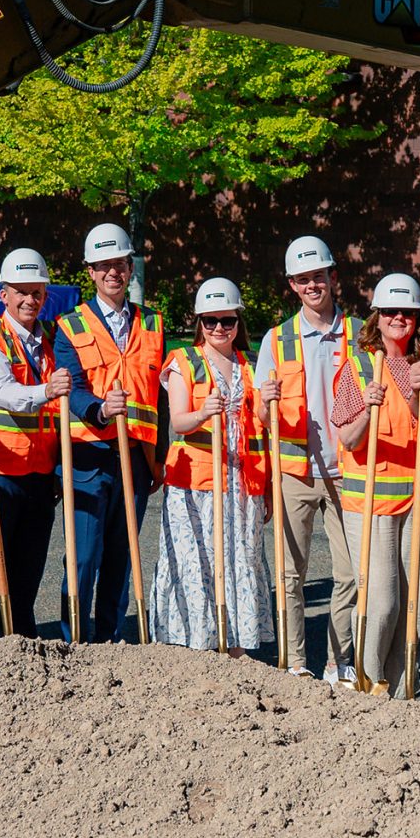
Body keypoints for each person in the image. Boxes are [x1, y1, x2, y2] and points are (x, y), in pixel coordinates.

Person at [331, 274, 420, 697]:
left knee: (415, 608)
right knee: (383, 602)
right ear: (376, 318)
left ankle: (402, 689)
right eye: (391, 312)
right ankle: (368, 680)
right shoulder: (359, 367)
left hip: (419, 502)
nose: (399, 319)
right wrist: (367, 410)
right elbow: (347, 438)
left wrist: (417, 390)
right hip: (371, 501)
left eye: (408, 313)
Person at [53, 222, 164, 642]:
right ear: (91, 271)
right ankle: (75, 642)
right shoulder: (71, 325)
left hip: (135, 457)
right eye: (103, 266)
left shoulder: (153, 324)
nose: (112, 273)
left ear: (129, 268)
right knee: (83, 559)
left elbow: (163, 399)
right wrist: (99, 410)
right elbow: (73, 388)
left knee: (123, 557)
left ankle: (112, 641)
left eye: (119, 264)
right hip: (89, 458)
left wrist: (158, 459)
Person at [256, 236, 360, 682]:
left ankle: (340, 661)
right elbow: (261, 415)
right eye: (303, 279)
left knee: (351, 574)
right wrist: (267, 401)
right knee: (290, 573)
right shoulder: (276, 340)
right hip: (295, 473)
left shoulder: (360, 335)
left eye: (318, 275)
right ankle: (295, 661)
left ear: (333, 278)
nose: (312, 284)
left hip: (348, 470)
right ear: (293, 286)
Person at [152, 278, 272, 653]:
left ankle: (233, 643)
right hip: (196, 485)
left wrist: (267, 402)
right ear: (198, 322)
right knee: (195, 562)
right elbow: (178, 423)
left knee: (241, 561)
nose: (219, 328)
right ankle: (194, 641)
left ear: (239, 322)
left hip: (241, 485)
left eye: (227, 320)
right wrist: (203, 411)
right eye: (210, 321)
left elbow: (263, 425)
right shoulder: (184, 362)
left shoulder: (249, 366)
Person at [0, 248, 70, 642]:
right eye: (22, 292)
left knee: (27, 569)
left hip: (39, 472)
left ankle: (20, 645)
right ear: (4, 295)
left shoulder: (50, 339)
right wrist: (47, 389)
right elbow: (4, 394)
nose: (30, 300)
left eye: (37, 292)